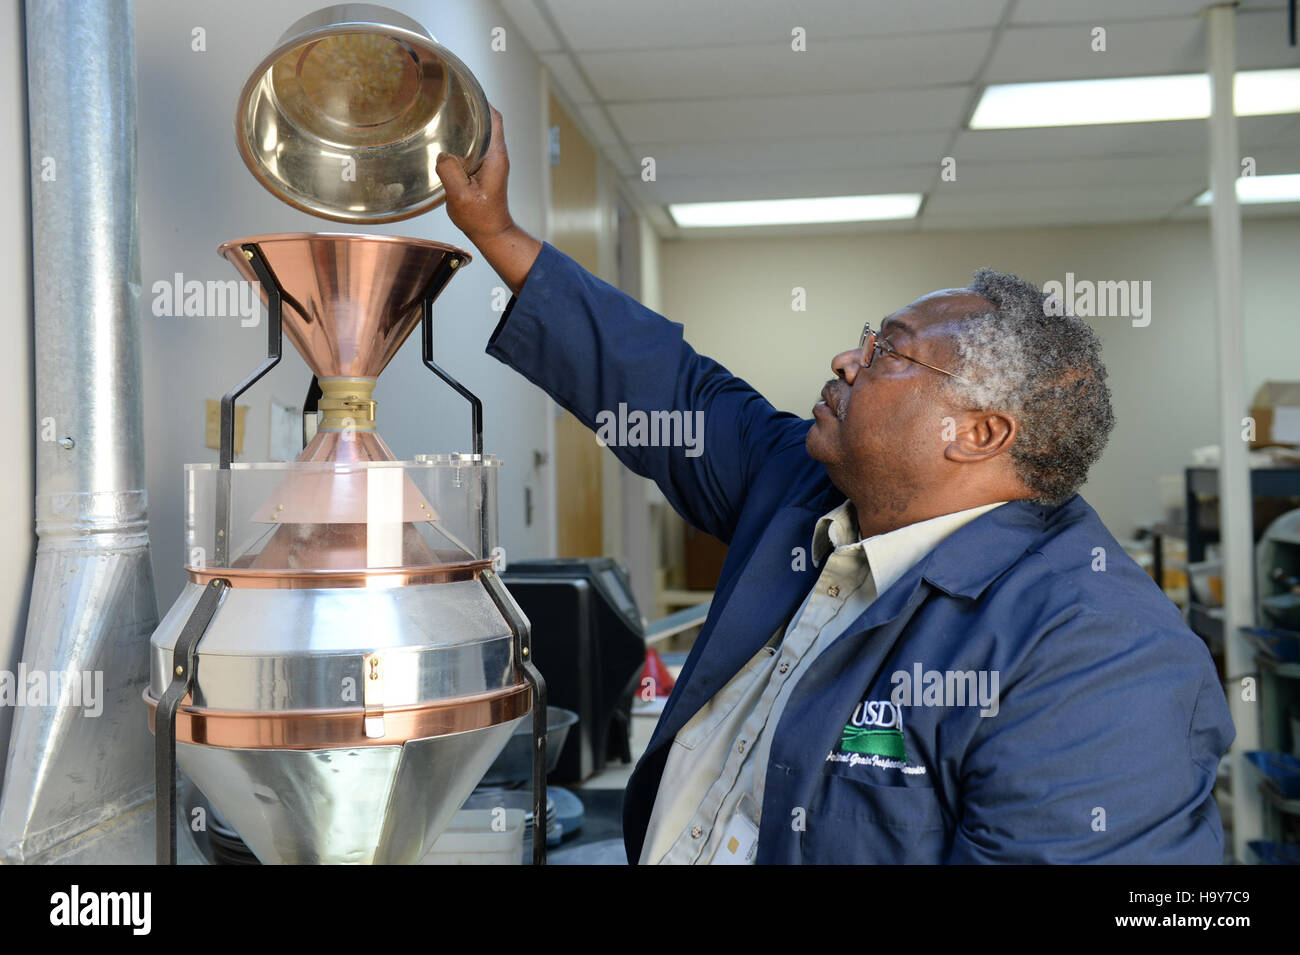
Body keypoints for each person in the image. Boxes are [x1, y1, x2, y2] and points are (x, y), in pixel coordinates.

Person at [435, 108, 1235, 865]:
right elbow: (671, 392)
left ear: (981, 433)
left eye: (888, 350)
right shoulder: (801, 487)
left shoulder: (1096, 651)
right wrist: (497, 234)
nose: (845, 362)